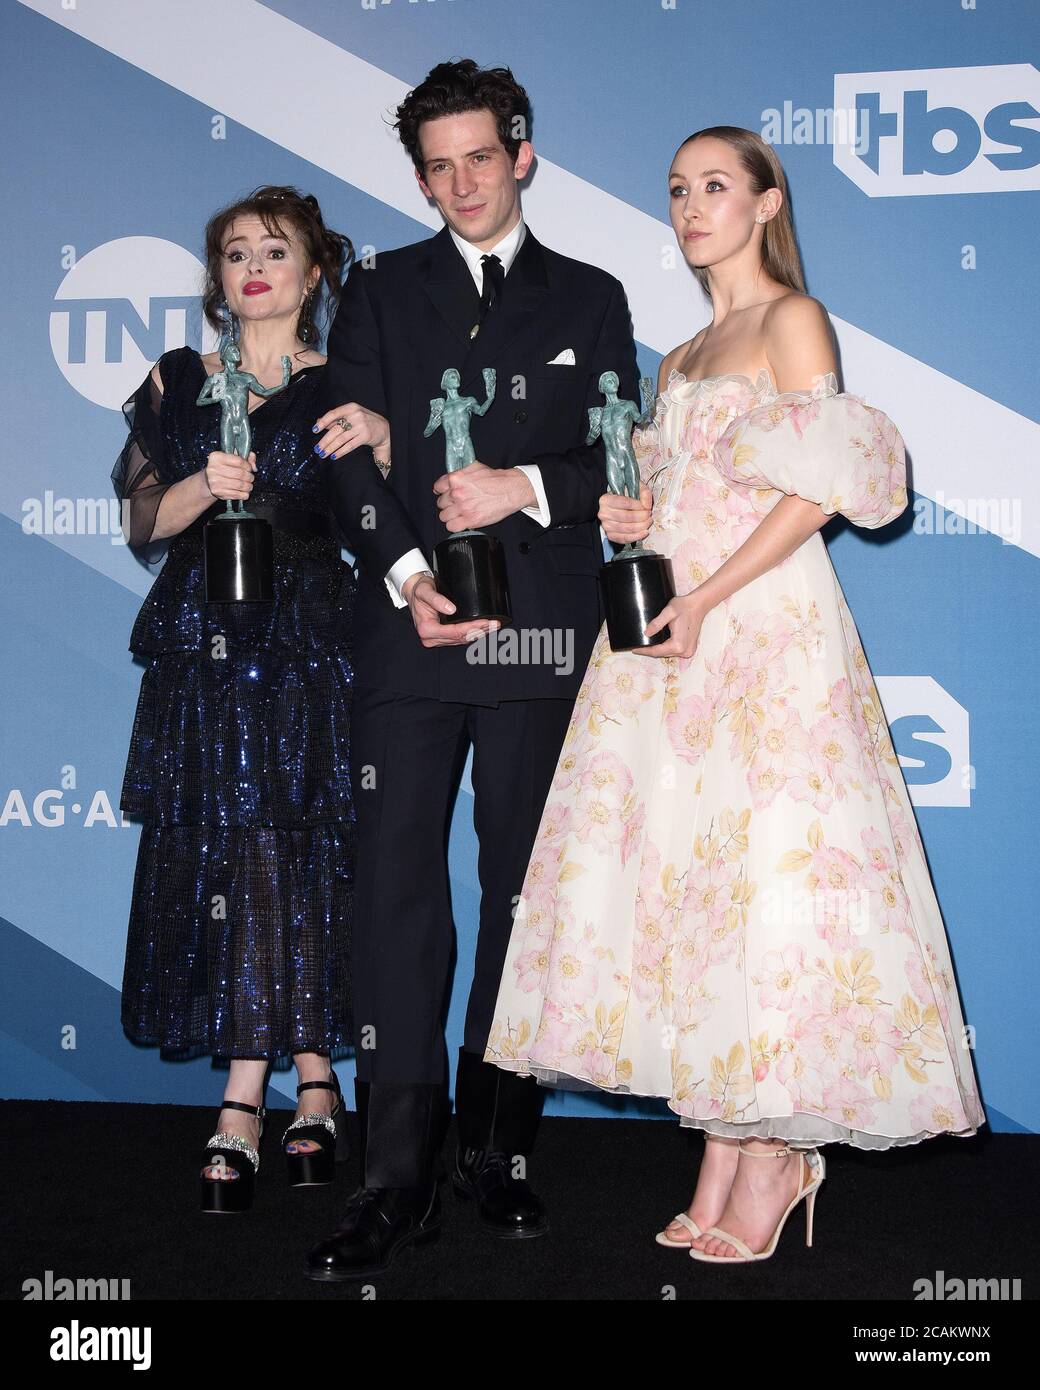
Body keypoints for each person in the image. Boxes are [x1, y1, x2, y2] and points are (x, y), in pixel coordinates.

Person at [484, 126, 986, 1263]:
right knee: (689, 884)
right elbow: (669, 492)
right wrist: (631, 517)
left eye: (716, 185)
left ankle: (774, 1152)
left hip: (758, 626)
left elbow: (829, 490)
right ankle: (718, 1134)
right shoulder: (677, 357)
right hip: (669, 637)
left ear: (766, 203)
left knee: (766, 876)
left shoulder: (789, 321)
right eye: (676, 188)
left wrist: (708, 592)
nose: (691, 205)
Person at [305, 59, 640, 1280]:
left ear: (522, 155)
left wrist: (527, 485)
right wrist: (404, 573)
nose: (460, 183)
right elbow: (343, 444)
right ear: (418, 175)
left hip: (542, 635)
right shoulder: (380, 291)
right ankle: (392, 1175)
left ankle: (496, 1147)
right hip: (408, 630)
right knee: (396, 893)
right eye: (436, 166)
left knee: (520, 891)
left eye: (479, 159)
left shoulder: (590, 296)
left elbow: (617, 454)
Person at [114, 186, 370, 1212]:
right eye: (233, 253)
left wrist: (387, 441)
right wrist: (202, 487)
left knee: (301, 842)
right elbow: (143, 518)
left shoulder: (346, 386)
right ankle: (286, 1086)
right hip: (209, 646)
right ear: (215, 280)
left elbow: (378, 511)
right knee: (232, 842)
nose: (254, 266)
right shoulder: (176, 379)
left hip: (309, 639)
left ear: (313, 273)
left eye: (276, 250)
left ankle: (271, 1091)